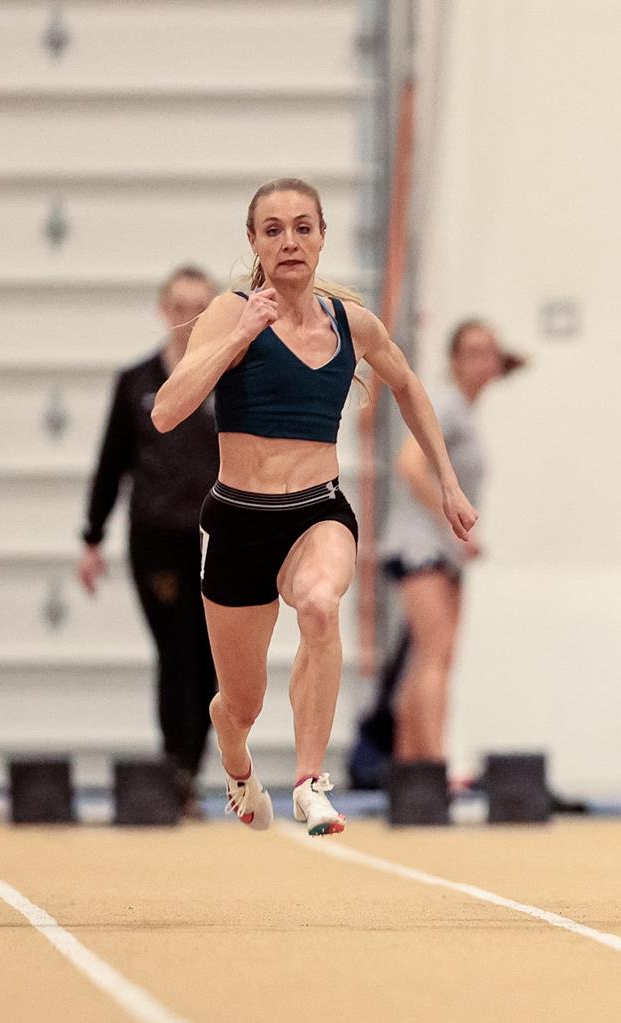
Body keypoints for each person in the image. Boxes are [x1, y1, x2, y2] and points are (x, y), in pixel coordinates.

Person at [150, 177, 476, 835]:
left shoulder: (352, 324)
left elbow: (409, 387)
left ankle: (308, 780)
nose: (290, 240)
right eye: (273, 229)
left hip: (316, 511)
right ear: (254, 243)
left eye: (303, 226)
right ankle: (237, 764)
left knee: (322, 605)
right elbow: (165, 411)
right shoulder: (227, 312)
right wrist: (238, 333)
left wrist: (447, 479)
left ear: (322, 236)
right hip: (239, 521)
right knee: (240, 702)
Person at [79, 266, 222, 816]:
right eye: (179, 304)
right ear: (164, 309)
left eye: (200, 305)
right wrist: (92, 538)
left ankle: (193, 766)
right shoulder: (136, 381)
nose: (188, 315)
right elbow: (111, 463)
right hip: (157, 539)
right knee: (175, 651)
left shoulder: (228, 379)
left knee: (211, 658)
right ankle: (174, 767)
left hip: (218, 539)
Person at [379, 318, 521, 765]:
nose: (484, 361)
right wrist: (456, 520)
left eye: (490, 352)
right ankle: (436, 764)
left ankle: (411, 770)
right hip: (422, 546)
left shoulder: (463, 410)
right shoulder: (445, 404)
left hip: (441, 549)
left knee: (428, 658)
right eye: (474, 351)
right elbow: (409, 465)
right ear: (455, 360)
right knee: (437, 656)